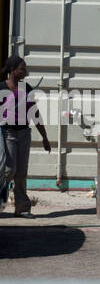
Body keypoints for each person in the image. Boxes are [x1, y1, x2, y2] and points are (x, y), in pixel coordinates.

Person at [1, 56, 51, 217]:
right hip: (7, 133)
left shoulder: (26, 88)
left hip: (23, 133)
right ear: (13, 70)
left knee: (21, 172)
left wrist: (44, 137)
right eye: (22, 68)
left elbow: (35, 113)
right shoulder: (2, 88)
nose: (25, 71)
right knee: (9, 170)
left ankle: (22, 207)